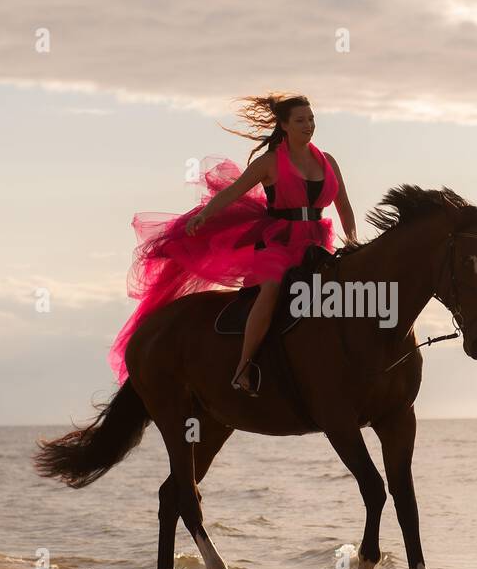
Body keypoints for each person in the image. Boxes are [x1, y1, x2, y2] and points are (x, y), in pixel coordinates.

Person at [108, 92, 358, 395]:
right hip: (280, 242)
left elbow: (343, 204)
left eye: (311, 119)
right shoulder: (270, 163)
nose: (309, 125)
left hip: (318, 241)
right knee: (272, 289)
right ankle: (244, 366)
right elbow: (233, 193)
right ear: (284, 125)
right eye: (301, 120)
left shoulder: (328, 161)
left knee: (348, 291)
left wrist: (352, 241)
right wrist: (205, 216)